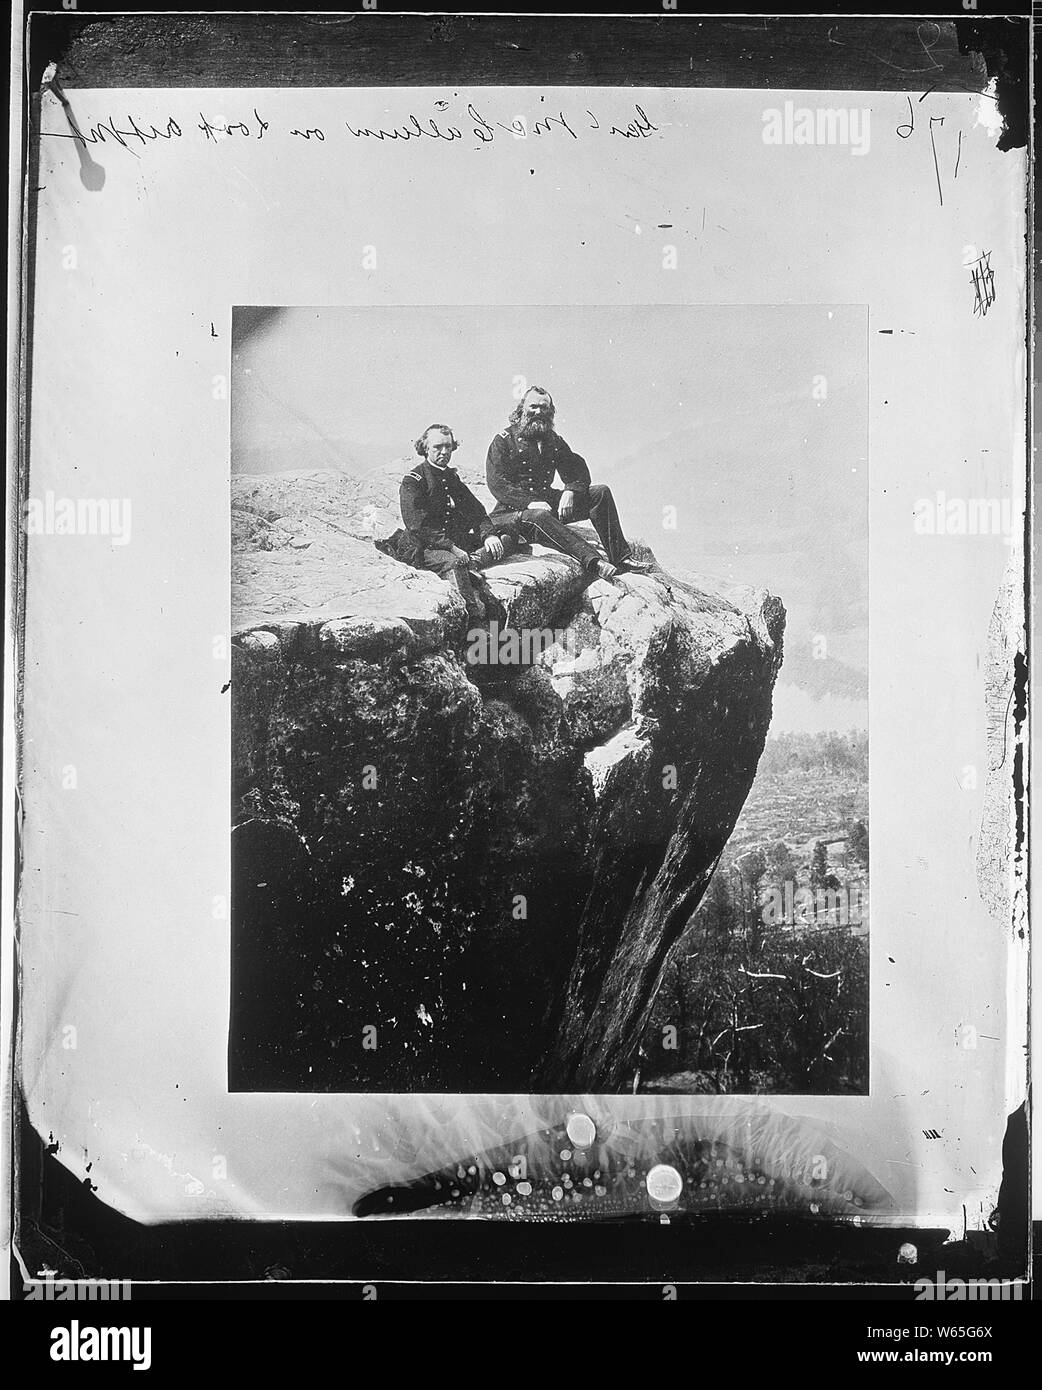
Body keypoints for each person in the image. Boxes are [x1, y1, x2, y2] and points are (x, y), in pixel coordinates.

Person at [485, 387, 652, 579]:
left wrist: (570, 490)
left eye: (544, 408)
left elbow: (577, 469)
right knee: (539, 515)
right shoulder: (503, 440)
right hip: (513, 514)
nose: (538, 412)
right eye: (533, 407)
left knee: (600, 493)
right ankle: (595, 562)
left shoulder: (553, 440)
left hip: (548, 507)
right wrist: (528, 503)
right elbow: (497, 482)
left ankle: (621, 558)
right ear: (522, 408)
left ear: (551, 411)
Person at [386, 424, 519, 623]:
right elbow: (418, 526)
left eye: (448, 446)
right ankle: (474, 619)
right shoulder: (414, 481)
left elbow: (477, 511)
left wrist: (489, 535)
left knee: (505, 538)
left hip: (456, 541)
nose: (445, 452)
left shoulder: (451, 477)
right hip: (425, 546)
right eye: (438, 447)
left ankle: (470, 564)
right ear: (425, 448)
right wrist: (453, 548)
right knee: (454, 562)